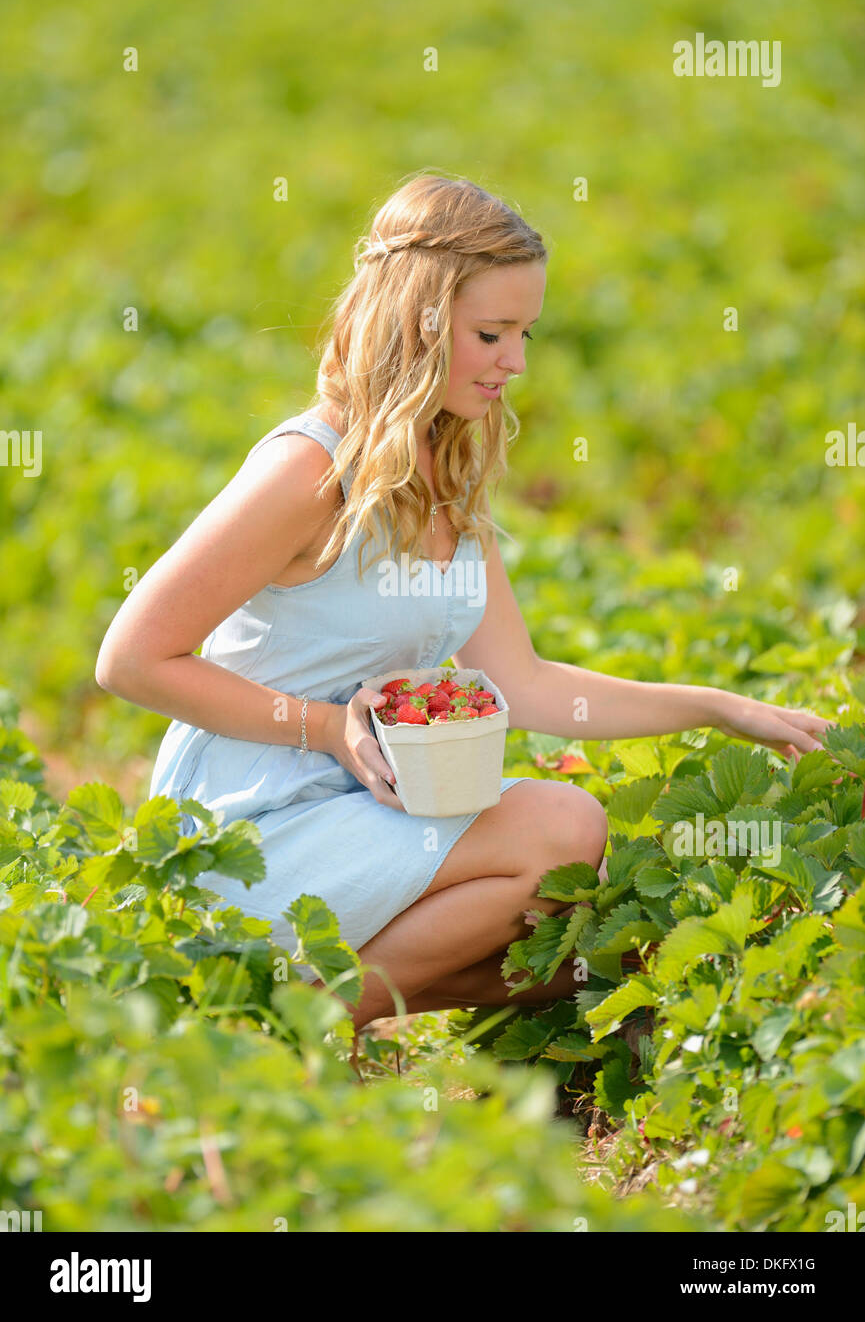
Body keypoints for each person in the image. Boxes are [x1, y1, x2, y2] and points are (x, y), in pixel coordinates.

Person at [95, 171, 831, 1039]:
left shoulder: (443, 473)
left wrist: (717, 708)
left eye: (525, 333)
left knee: (562, 956)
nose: (515, 362)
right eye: (492, 333)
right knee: (561, 826)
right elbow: (131, 660)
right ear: (419, 321)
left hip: (362, 809)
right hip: (245, 828)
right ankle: (289, 1024)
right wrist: (326, 728)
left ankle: (281, 1018)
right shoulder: (307, 472)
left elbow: (520, 684)